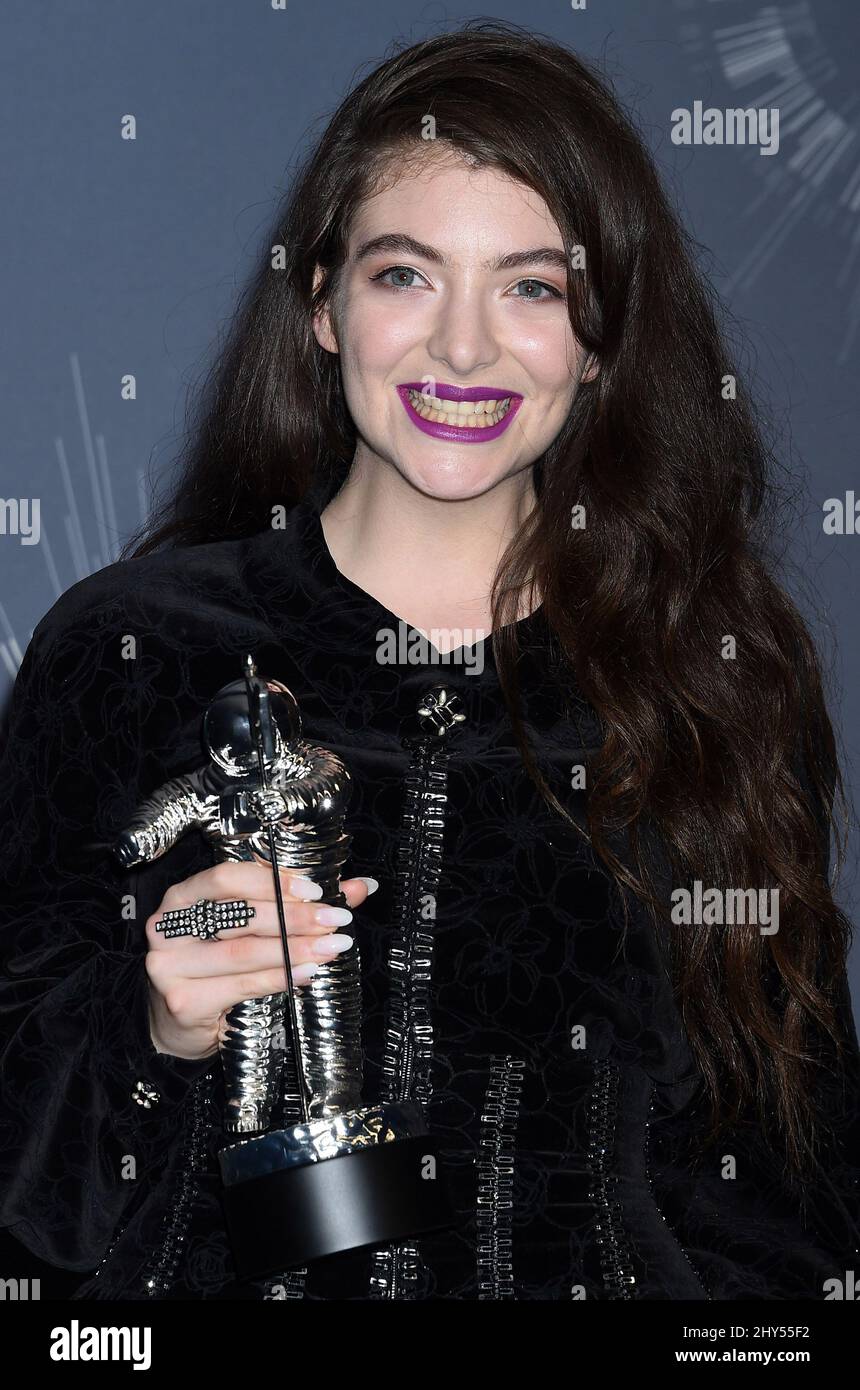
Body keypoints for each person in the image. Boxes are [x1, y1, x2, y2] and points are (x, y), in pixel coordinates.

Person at [1, 21, 858, 1302]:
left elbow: (788, 1191)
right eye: (406, 275)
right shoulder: (129, 653)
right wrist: (148, 1023)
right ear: (322, 306)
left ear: (599, 340)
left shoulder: (713, 683)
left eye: (530, 287)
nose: (462, 349)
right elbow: (24, 1180)